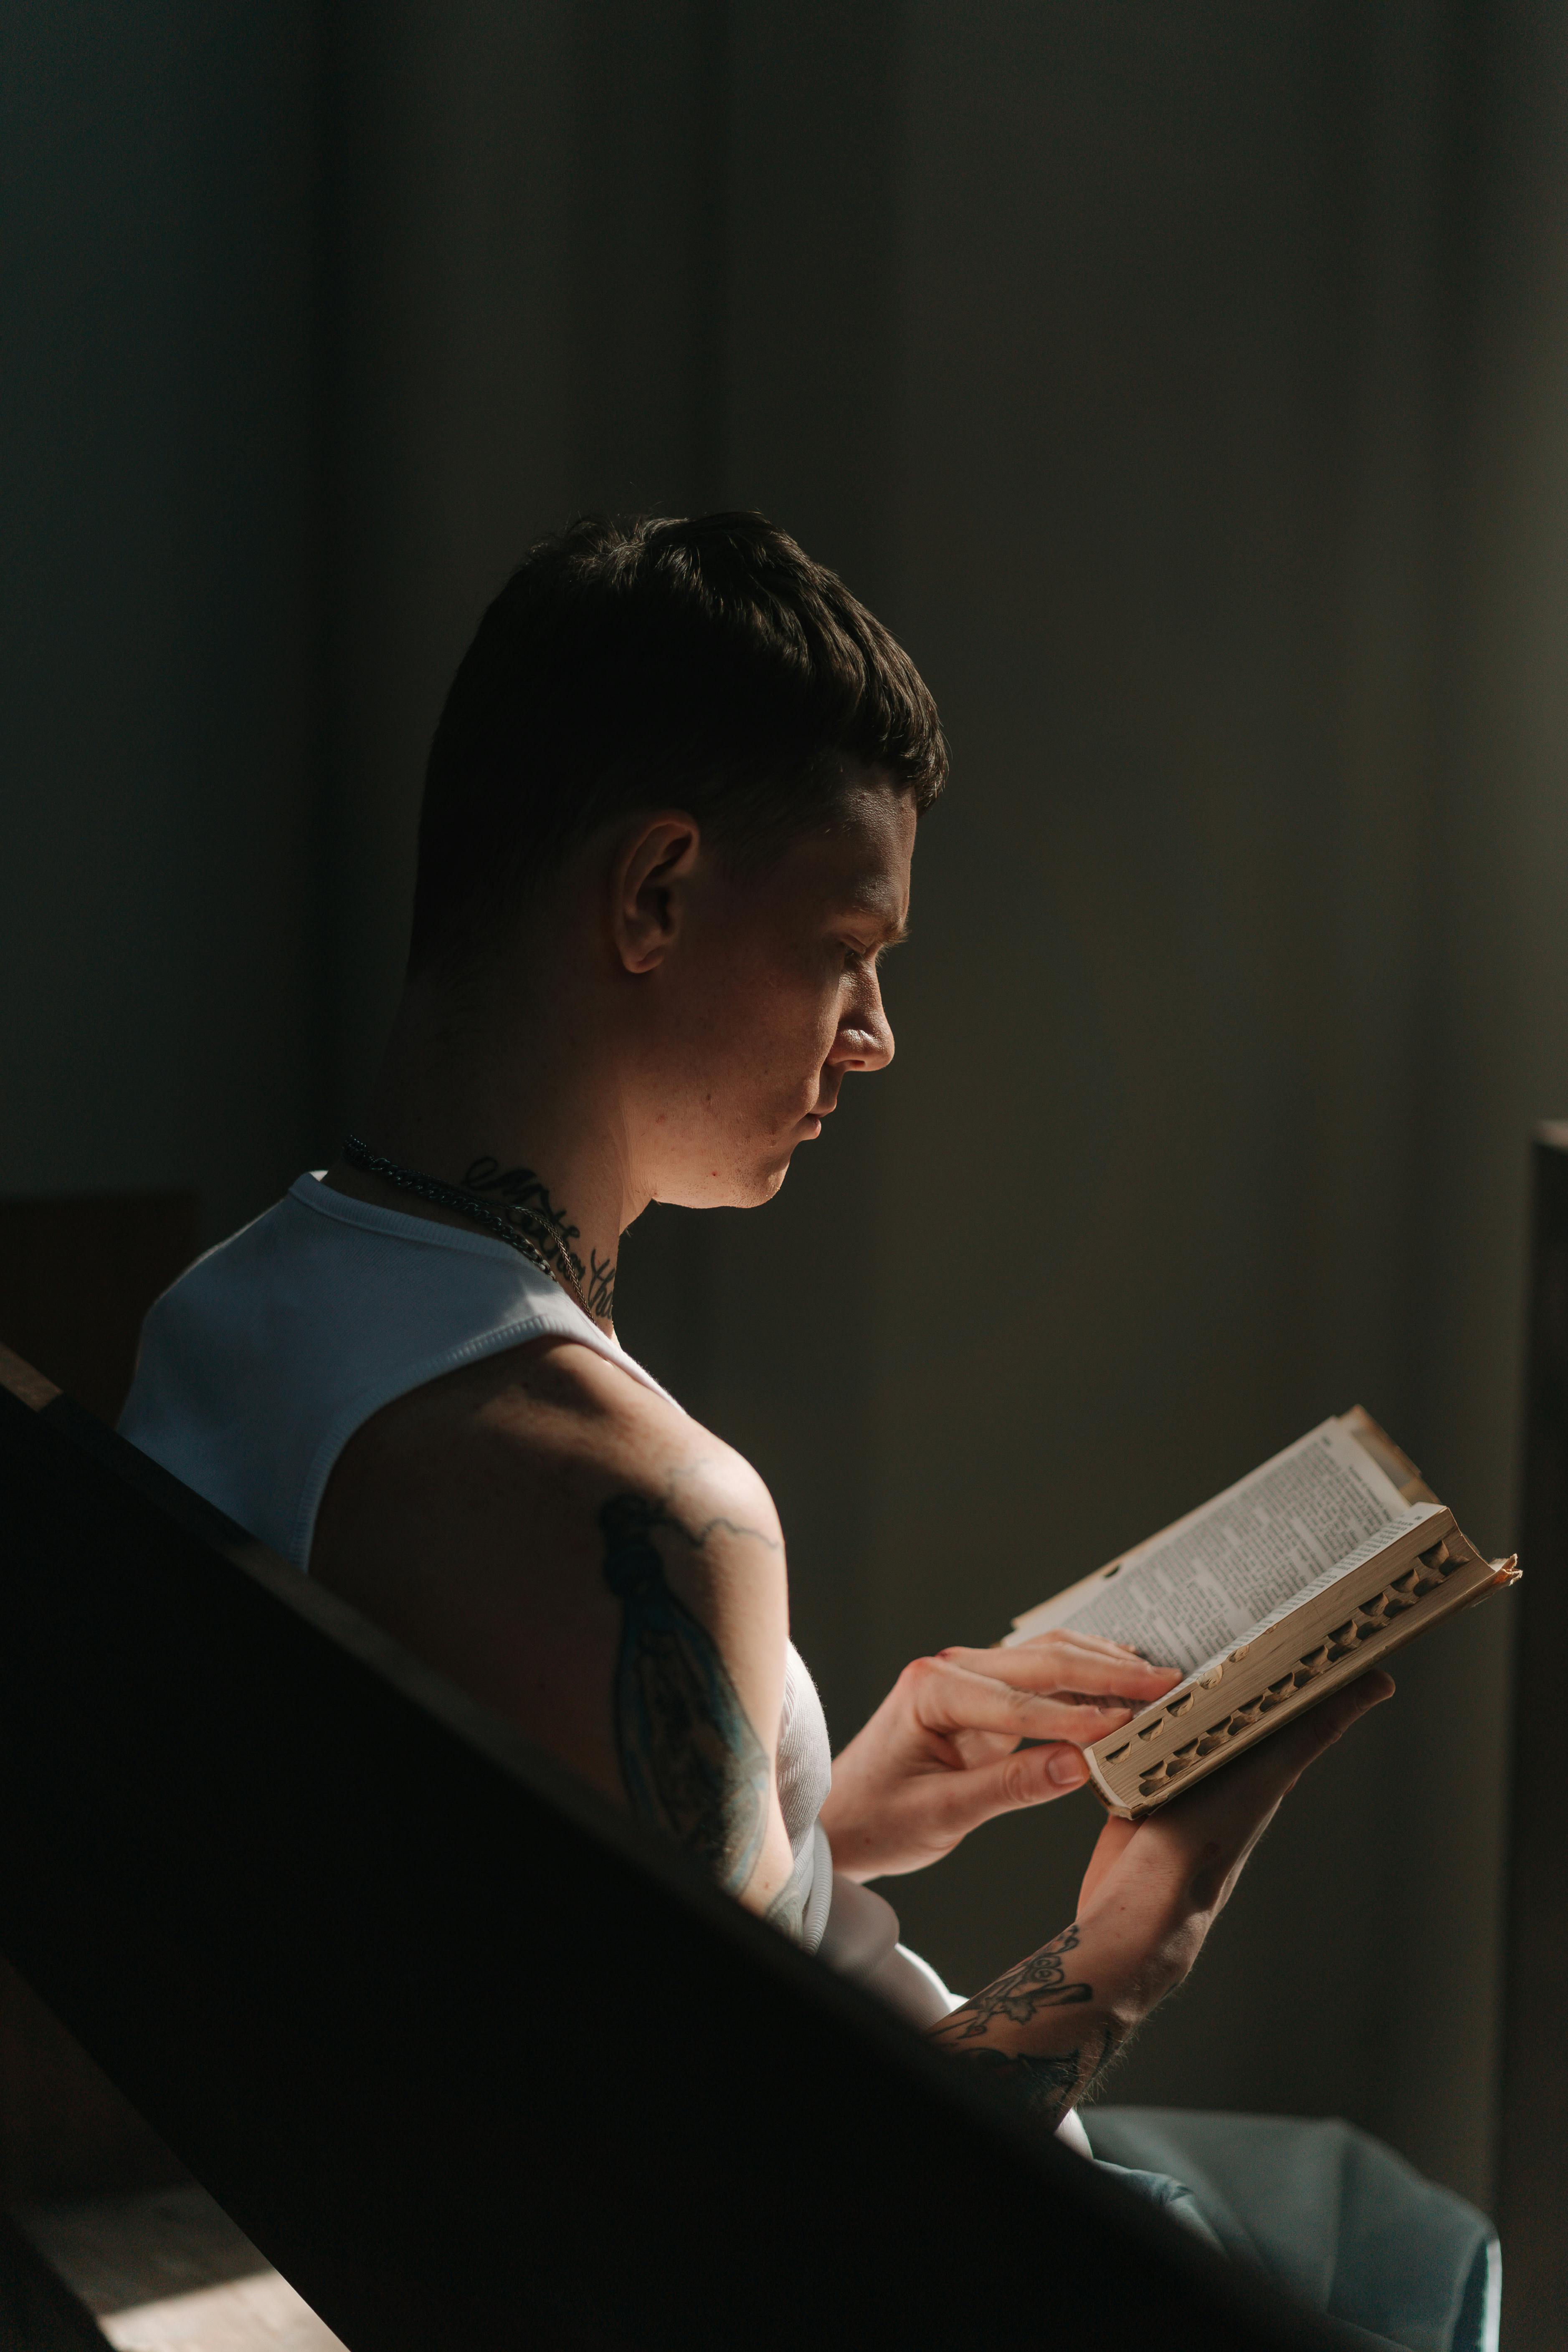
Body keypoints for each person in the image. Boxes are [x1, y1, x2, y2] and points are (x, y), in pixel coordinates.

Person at [120, 512, 1494, 2348]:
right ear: (656, 895)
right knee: (1409, 2251)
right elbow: (797, 2239)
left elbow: (526, 1943)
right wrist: (1128, 1943)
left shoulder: (238, 1306)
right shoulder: (625, 1499)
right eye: (850, 948)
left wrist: (825, 1806)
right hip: (875, 2254)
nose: (874, 1036)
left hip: (445, 2206)